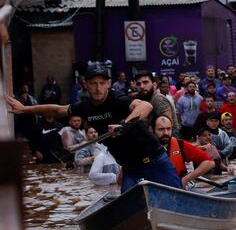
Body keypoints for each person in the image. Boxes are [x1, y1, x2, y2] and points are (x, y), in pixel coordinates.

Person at [6, 62, 181, 192]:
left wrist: (124, 125)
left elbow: (146, 106)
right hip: (131, 168)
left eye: (102, 83)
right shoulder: (84, 107)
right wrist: (25, 109)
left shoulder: (118, 100)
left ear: (108, 83)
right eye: (93, 83)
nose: (98, 88)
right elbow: (57, 110)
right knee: (130, 209)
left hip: (155, 159)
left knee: (178, 198)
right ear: (85, 84)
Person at [152, 115, 215, 188]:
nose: (166, 133)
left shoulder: (180, 145)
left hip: (178, 189)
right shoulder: (144, 148)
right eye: (161, 129)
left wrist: (186, 178)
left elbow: (210, 162)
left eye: (168, 129)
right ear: (152, 130)